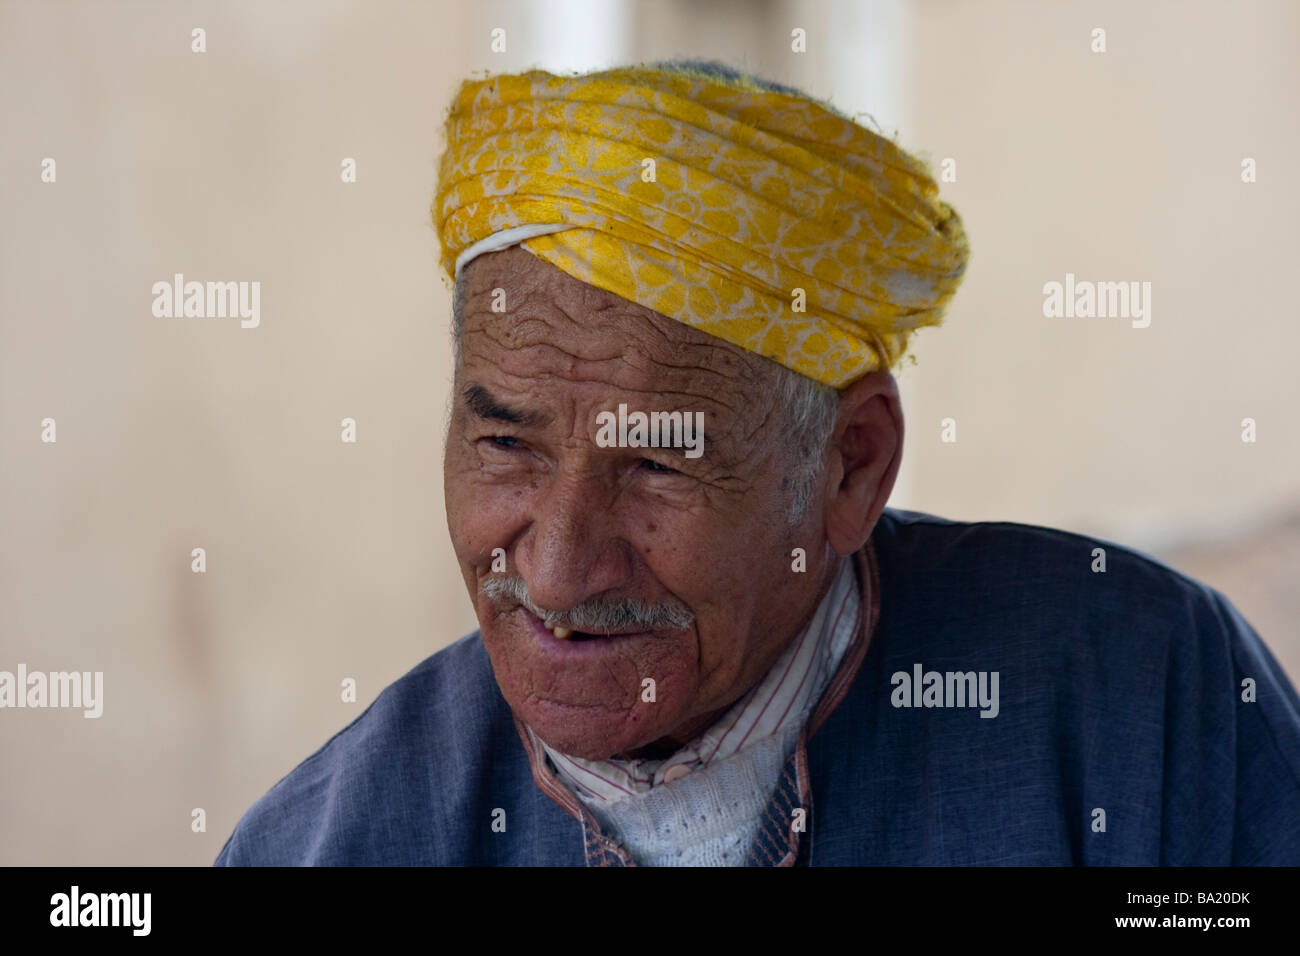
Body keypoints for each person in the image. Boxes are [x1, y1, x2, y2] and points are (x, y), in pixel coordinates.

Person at [215, 61, 1300, 866]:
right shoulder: (332, 841)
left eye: (654, 465)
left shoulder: (1147, 703)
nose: (553, 572)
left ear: (851, 466)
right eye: (506, 443)